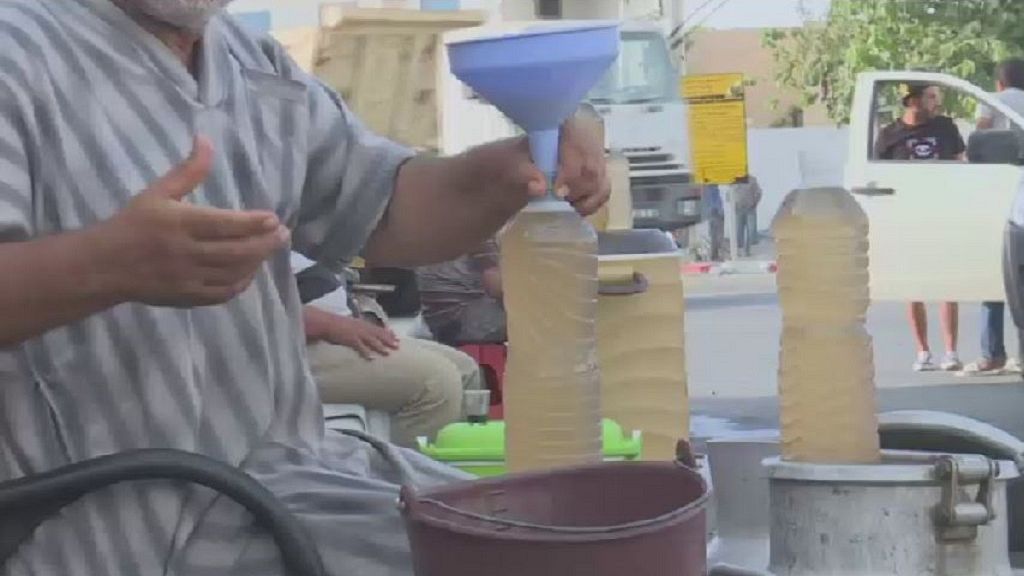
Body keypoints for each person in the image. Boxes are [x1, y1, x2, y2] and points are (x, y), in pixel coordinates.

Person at [0, 1, 609, 575]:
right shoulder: (19, 50)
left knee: (577, 538)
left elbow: (388, 210)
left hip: (286, 477)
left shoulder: (249, 63)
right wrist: (103, 265)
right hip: (108, 528)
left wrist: (510, 169)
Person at [292, 253, 482, 448]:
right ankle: (408, 474)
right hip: (285, 347)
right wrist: (330, 325)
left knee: (465, 369)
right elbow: (261, 310)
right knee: (435, 382)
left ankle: (460, 471)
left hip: (336, 326)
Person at [874, 83, 965, 372]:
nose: (936, 102)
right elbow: (878, 176)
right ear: (912, 101)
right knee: (913, 287)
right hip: (907, 220)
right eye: (930, 97)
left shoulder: (945, 127)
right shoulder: (890, 135)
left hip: (942, 216)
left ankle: (951, 351)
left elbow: (961, 162)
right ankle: (923, 351)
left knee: (948, 285)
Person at [963, 59, 1024, 375]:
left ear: (1000, 82)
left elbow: (978, 140)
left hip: (996, 193)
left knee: (994, 273)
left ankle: (992, 353)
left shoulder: (995, 101)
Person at [417, 238, 506, 346]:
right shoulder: (481, 234)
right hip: (463, 321)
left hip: (437, 322)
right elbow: (496, 287)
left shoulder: (438, 232)